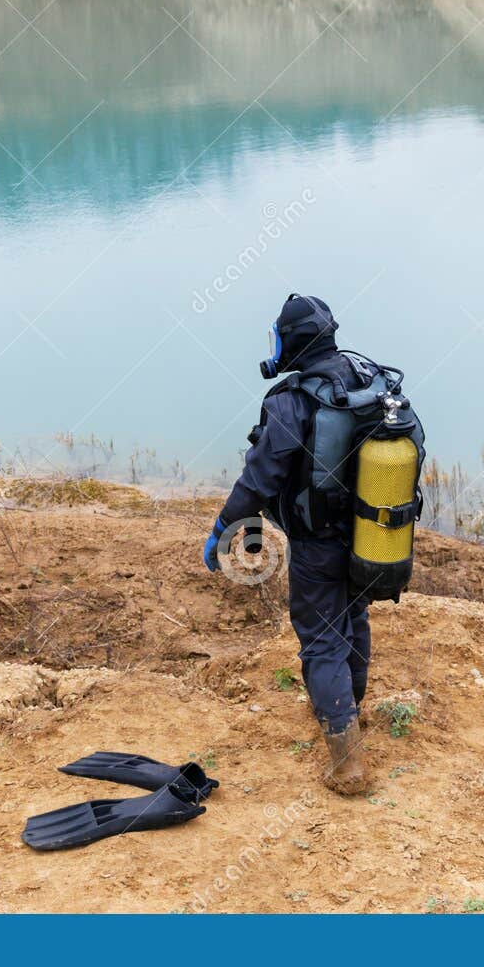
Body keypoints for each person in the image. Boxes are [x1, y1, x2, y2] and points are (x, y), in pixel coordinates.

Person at [202, 294, 378, 794]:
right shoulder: (365, 380)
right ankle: (349, 710)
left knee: (322, 639)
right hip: (370, 533)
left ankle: (348, 763)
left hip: (318, 542)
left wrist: (223, 528)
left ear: (290, 342)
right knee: (353, 618)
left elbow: (261, 475)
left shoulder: (292, 399)